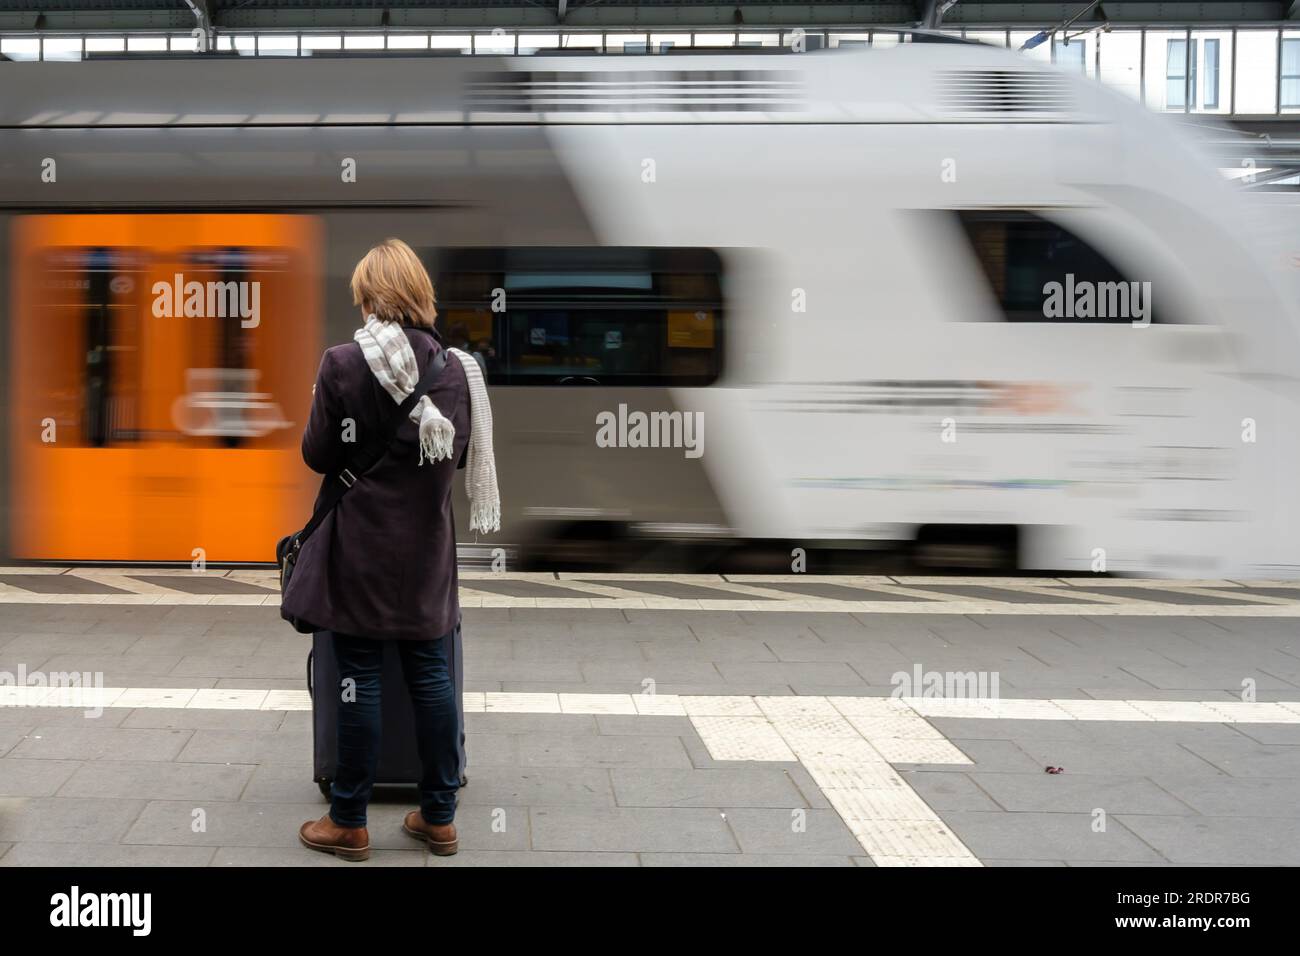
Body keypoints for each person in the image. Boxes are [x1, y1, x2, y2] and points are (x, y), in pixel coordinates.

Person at [289, 238, 500, 861]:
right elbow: (453, 459)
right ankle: (438, 818)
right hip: (427, 552)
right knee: (433, 678)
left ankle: (349, 821)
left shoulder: (342, 363)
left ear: (369, 298)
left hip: (357, 551)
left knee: (358, 680)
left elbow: (318, 456)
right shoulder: (461, 371)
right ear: (420, 296)